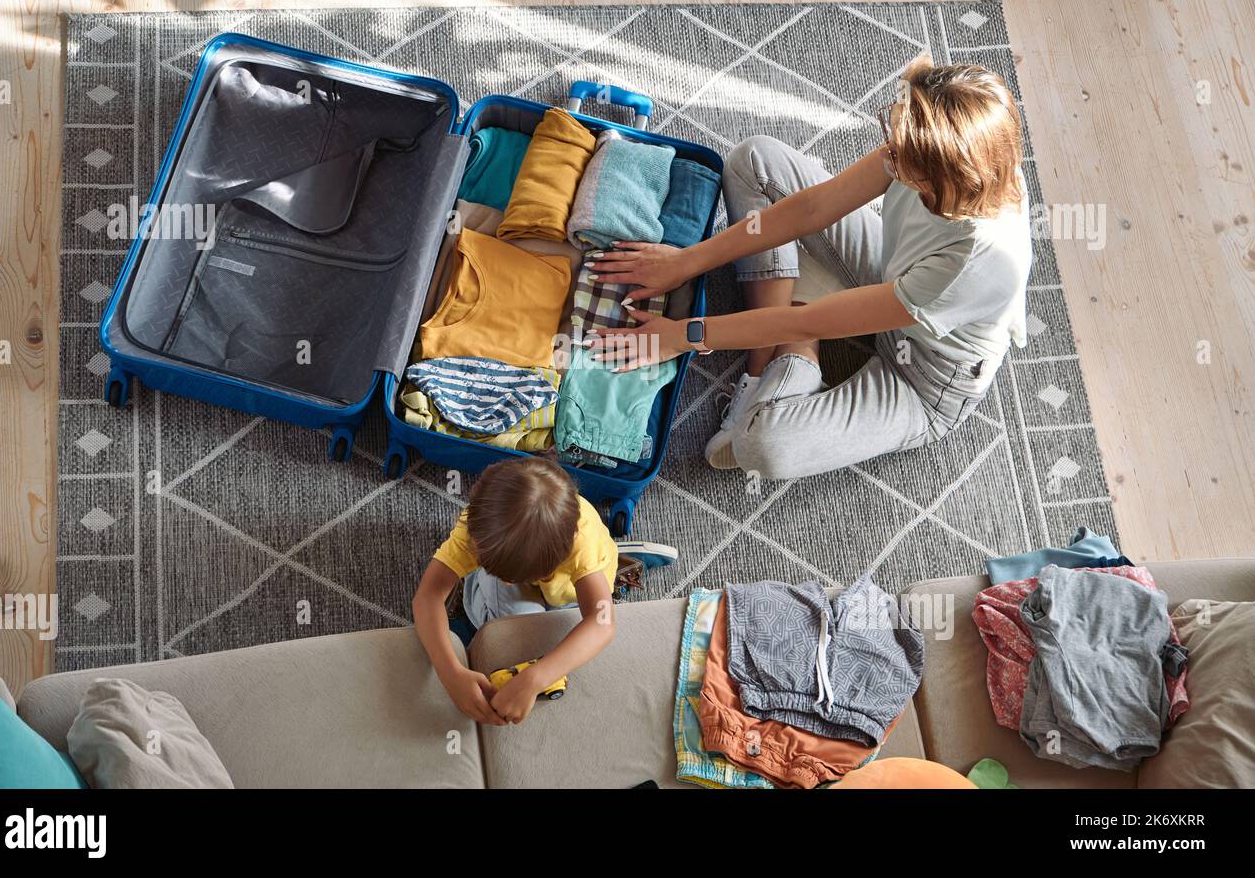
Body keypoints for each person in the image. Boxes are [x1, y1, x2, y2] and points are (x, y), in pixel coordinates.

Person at [586, 56, 1032, 479]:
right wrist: (686, 261)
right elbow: (816, 207)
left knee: (762, 447)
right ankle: (759, 372)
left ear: (944, 177)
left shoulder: (978, 260)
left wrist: (683, 336)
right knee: (754, 161)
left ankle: (801, 345)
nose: (888, 153)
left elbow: (808, 319)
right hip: (895, 277)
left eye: (901, 158)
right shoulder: (942, 152)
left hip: (925, 374)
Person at [412, 457, 617, 725]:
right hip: (552, 577)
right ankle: (483, 591)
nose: (506, 583)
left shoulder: (582, 546)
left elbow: (603, 622)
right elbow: (428, 596)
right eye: (488, 566)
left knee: (530, 640)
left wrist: (535, 678)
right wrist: (449, 672)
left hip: (570, 595)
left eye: (509, 578)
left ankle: (478, 605)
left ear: (548, 570)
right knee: (511, 632)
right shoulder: (477, 527)